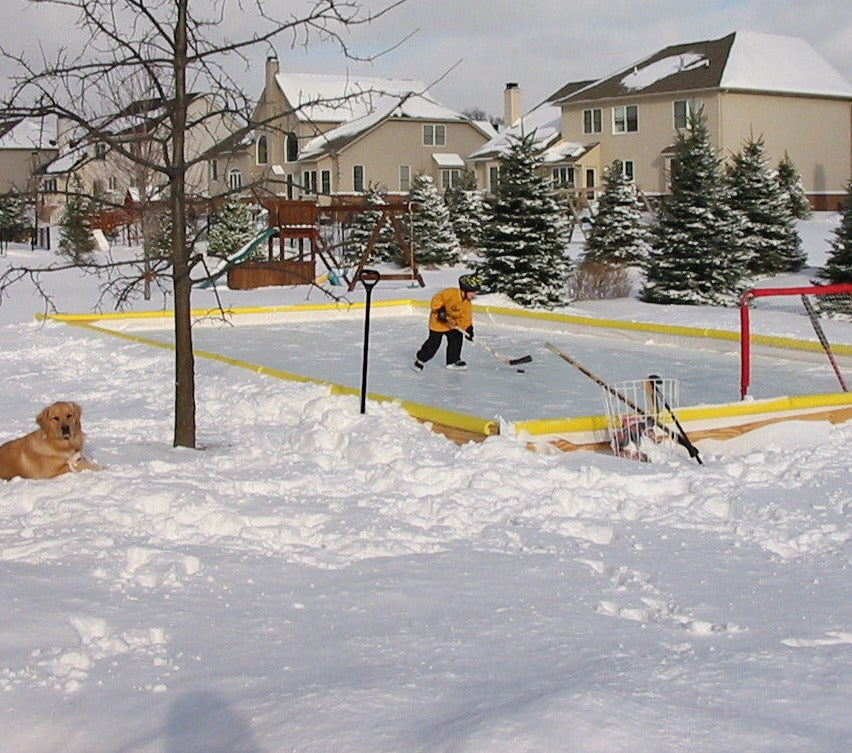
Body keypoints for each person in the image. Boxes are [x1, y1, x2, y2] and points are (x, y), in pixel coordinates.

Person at [413, 274, 481, 371]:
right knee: (433, 344)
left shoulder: (467, 304)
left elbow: (465, 318)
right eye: (473, 292)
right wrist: (440, 309)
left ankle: (452, 361)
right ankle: (420, 359)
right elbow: (437, 298)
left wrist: (468, 329)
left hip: (451, 325)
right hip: (438, 322)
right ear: (465, 290)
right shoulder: (451, 293)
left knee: (457, 339)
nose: (474, 295)